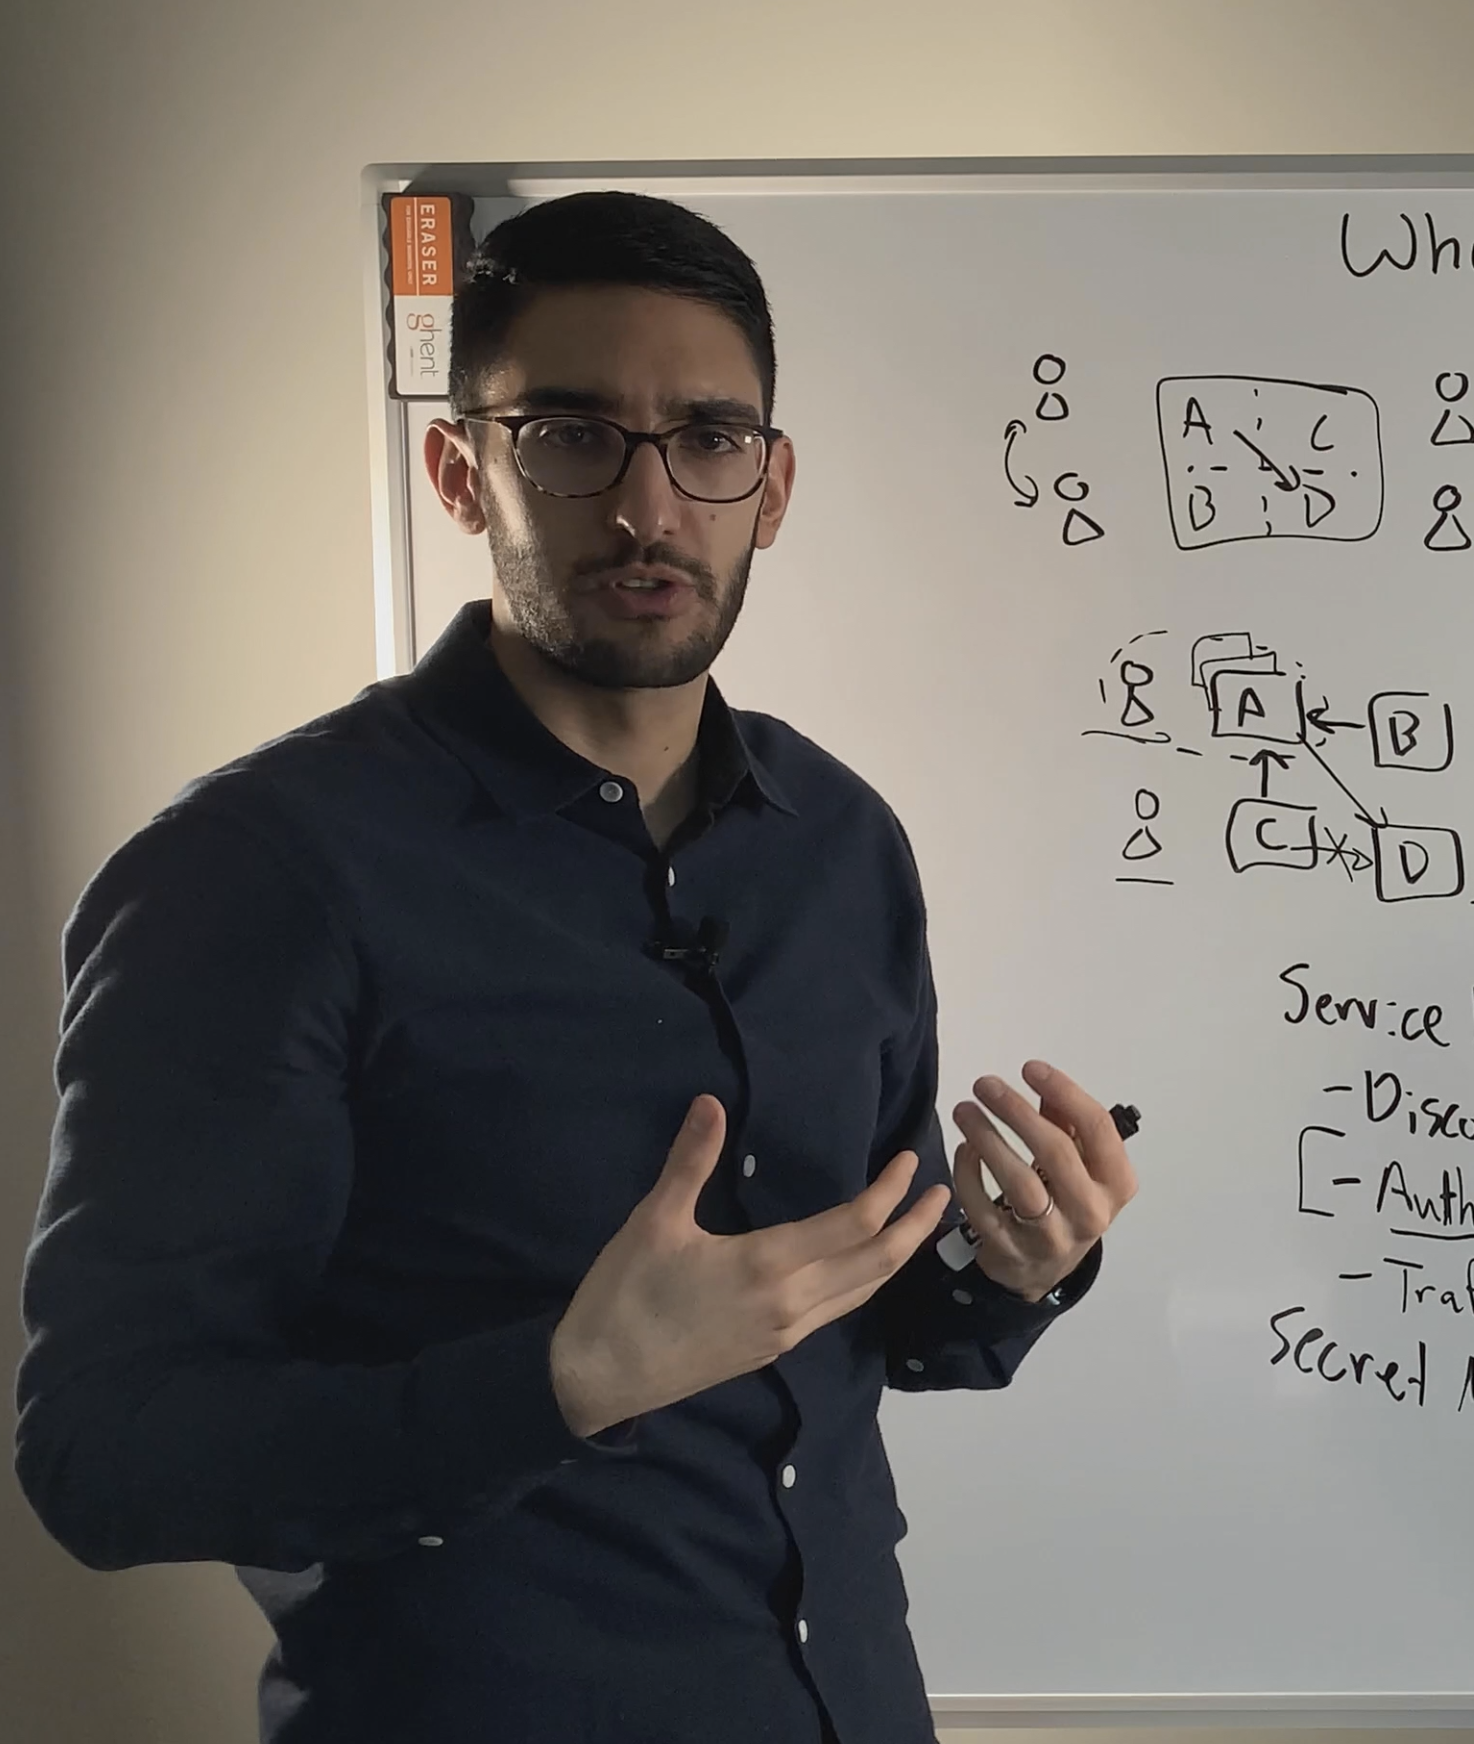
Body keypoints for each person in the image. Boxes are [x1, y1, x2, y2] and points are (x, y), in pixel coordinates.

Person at [14, 190, 1136, 1743]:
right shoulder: (257, 874)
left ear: (772, 485)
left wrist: (1009, 1265)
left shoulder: (840, 842)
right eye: (571, 436)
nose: (648, 508)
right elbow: (106, 1456)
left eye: (708, 440)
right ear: (458, 471)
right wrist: (560, 1383)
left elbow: (865, 1310)